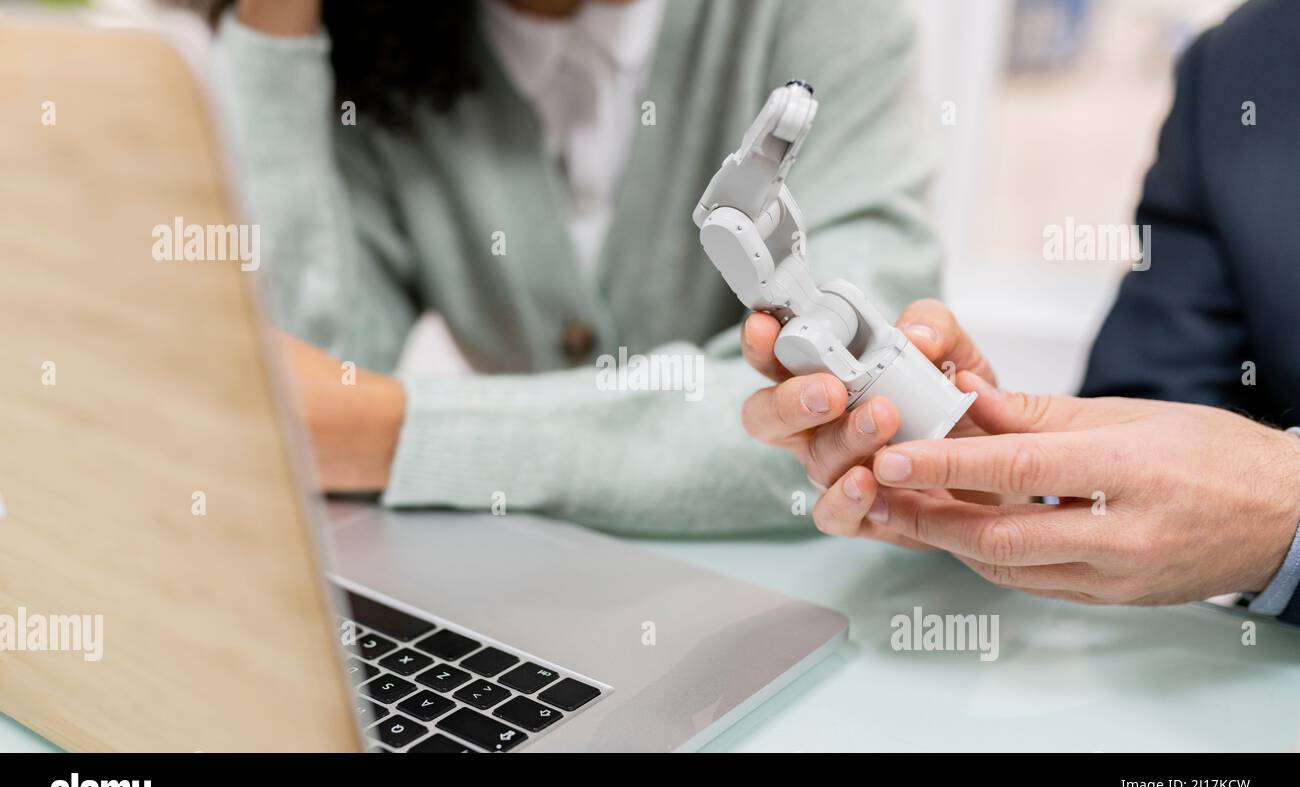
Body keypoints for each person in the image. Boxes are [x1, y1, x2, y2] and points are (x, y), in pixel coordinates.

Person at [209, 0, 940, 535]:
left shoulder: (825, 19)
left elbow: (862, 418)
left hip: (812, 623)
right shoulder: (374, 49)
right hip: (527, 601)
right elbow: (293, 409)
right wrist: (276, 28)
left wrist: (396, 432)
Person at [737, 0, 1300, 624]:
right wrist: (1019, 489)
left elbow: (1252, 500)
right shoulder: (1243, 61)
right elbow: (1159, 408)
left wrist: (1286, 511)